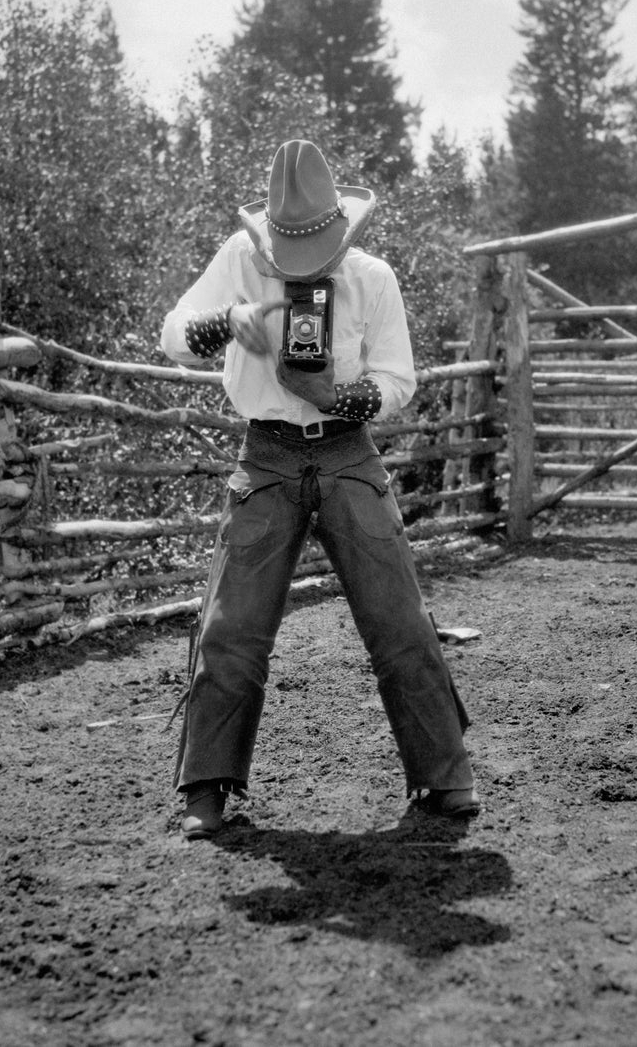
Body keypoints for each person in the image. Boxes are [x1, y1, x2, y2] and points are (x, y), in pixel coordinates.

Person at [160, 139, 479, 838]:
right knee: (233, 624)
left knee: (396, 613)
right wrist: (227, 323)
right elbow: (173, 333)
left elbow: (399, 377)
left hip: (347, 452)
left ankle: (445, 775)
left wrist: (344, 399)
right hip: (266, 452)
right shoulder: (238, 262)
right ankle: (207, 788)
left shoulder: (373, 277)